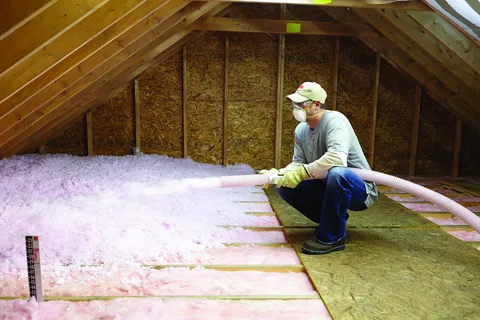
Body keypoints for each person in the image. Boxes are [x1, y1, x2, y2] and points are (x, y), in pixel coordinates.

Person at [259, 82, 378, 255]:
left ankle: (333, 237)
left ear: (316, 105)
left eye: (301, 104)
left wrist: (303, 172)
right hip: (326, 182)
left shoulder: (335, 121)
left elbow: (337, 157)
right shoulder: (301, 130)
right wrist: (277, 174)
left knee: (338, 173)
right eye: (294, 104)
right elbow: (298, 163)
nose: (295, 108)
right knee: (285, 186)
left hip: (359, 189)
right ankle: (333, 221)